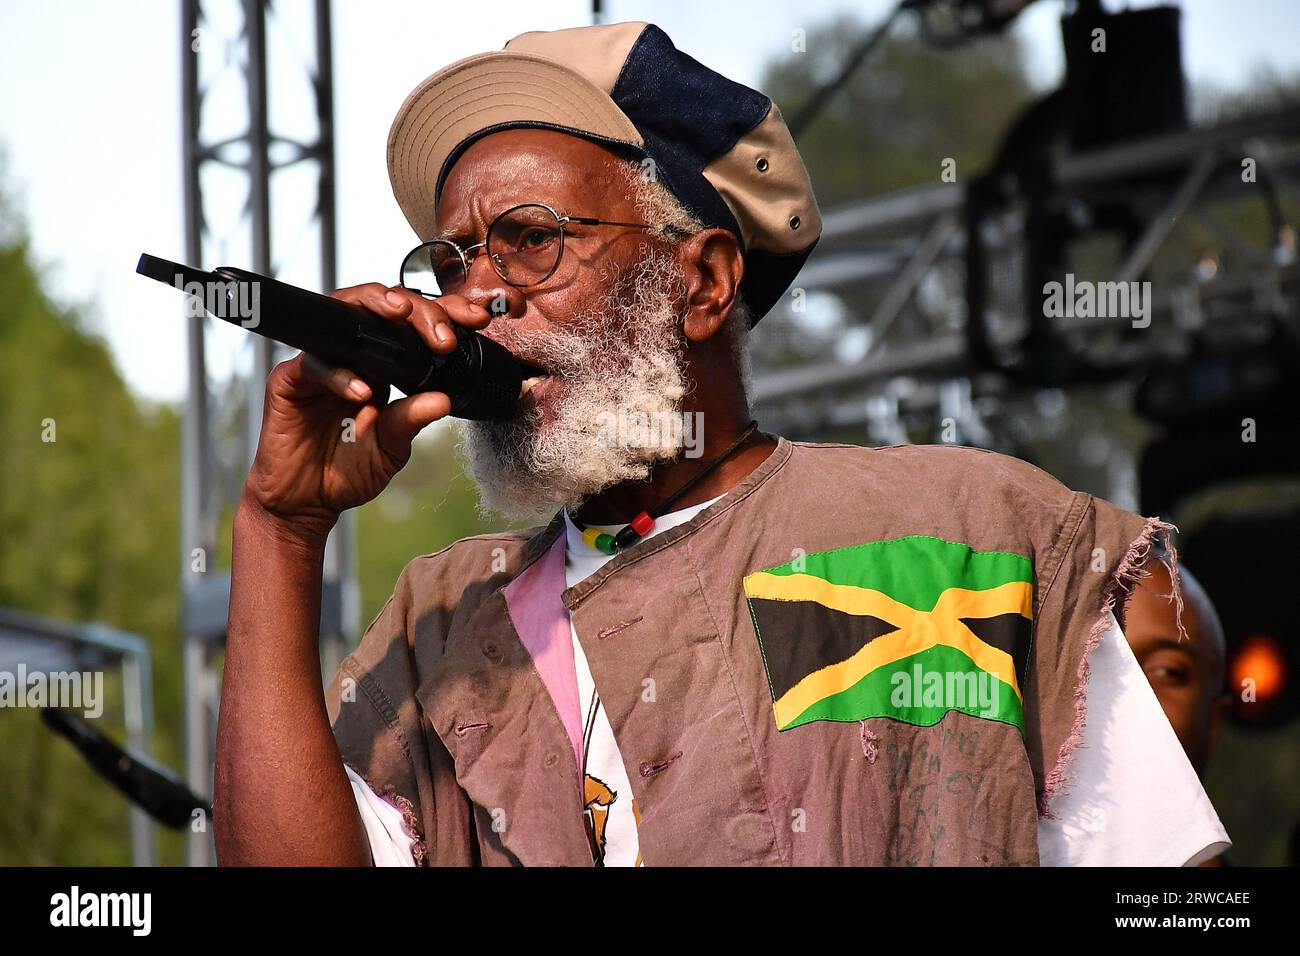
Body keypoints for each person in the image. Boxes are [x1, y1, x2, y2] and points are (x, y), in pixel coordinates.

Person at [213, 22, 1229, 866]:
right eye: (452, 259)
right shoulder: (439, 624)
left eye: (530, 237)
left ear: (700, 283)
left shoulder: (975, 531)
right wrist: (279, 530)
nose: (479, 298)